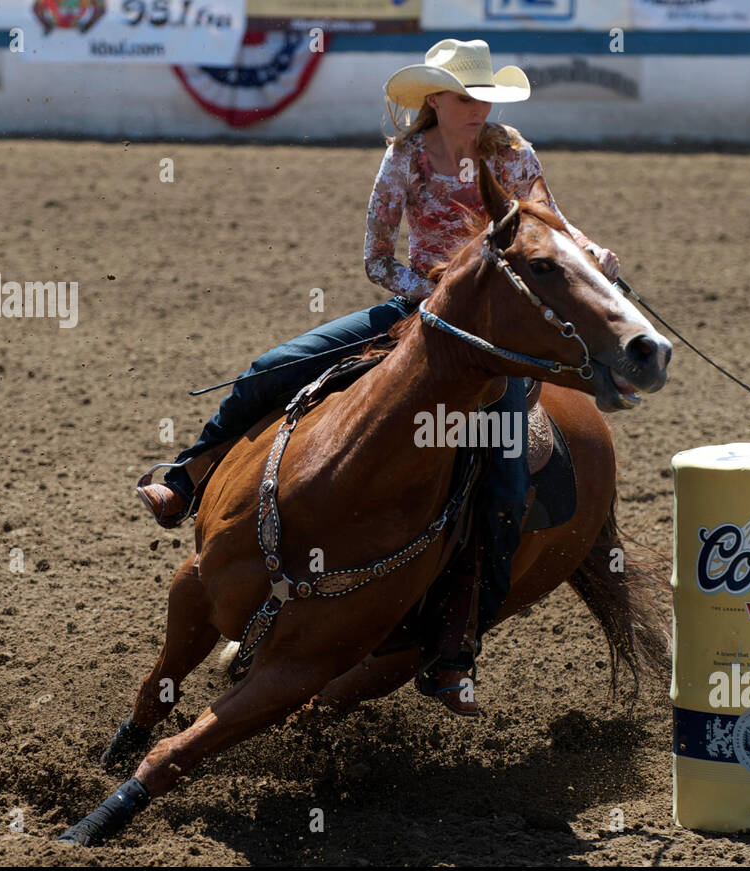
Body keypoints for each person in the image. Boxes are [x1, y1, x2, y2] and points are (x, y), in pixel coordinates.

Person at [137, 38, 620, 715]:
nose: (477, 107)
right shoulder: (406, 159)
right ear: (434, 102)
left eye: (483, 96)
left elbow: (552, 229)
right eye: (463, 96)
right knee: (271, 371)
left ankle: (453, 648)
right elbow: (377, 255)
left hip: (495, 337)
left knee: (507, 483)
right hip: (418, 313)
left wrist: (593, 255)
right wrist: (433, 298)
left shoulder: (514, 155)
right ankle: (187, 478)